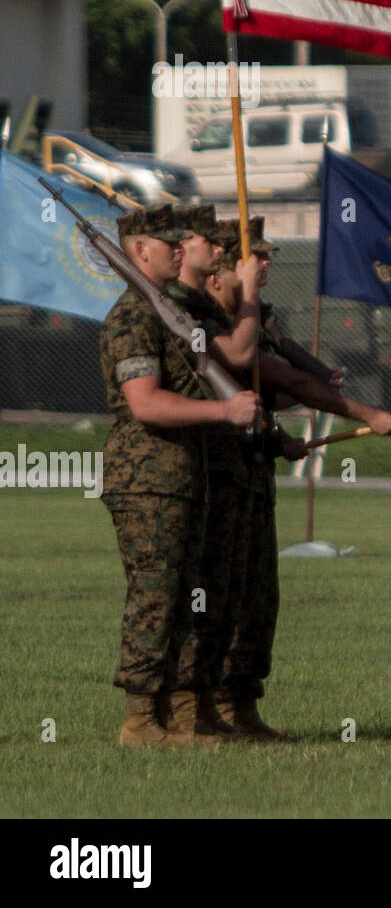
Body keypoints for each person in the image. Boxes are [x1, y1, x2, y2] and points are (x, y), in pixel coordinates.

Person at [205, 216, 391, 739]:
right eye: (257, 256)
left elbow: (271, 393)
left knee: (257, 598)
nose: (266, 264)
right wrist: (368, 415)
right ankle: (199, 711)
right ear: (223, 264)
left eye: (267, 255)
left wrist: (277, 440)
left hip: (251, 470)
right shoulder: (210, 320)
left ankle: (240, 708)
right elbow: (274, 376)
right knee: (216, 599)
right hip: (213, 478)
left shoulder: (258, 317)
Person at [98, 204, 261, 747]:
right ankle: (141, 720)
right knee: (157, 595)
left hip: (183, 474)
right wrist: (225, 412)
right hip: (148, 476)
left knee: (191, 595)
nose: (179, 248)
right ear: (140, 251)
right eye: (168, 242)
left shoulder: (173, 314)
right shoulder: (133, 316)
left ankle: (188, 712)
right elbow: (144, 403)